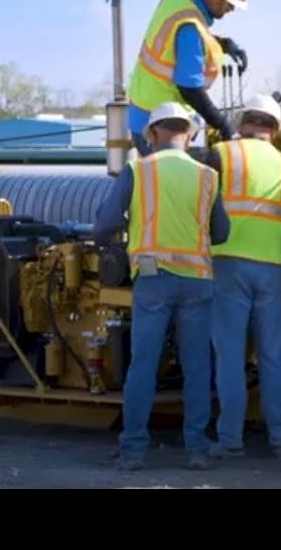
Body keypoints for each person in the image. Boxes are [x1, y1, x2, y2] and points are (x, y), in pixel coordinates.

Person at [92, 101, 231, 471]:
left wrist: (119, 241)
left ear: (152, 135)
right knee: (198, 367)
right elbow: (222, 232)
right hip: (198, 281)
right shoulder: (207, 176)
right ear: (190, 135)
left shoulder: (138, 169)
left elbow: (105, 225)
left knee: (143, 364)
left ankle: (134, 450)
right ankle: (197, 449)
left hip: (153, 280)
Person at [203, 94, 281, 459]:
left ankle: (230, 442)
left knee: (231, 354)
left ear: (244, 122)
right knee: (272, 354)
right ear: (277, 129)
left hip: (228, 262)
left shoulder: (222, 154)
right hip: (271, 268)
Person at [125, 0, 255, 157]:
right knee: (169, 185)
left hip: (143, 112)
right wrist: (223, 124)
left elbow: (177, 43)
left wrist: (224, 44)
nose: (231, 10)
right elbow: (190, 88)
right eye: (229, 4)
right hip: (162, 126)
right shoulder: (191, 28)